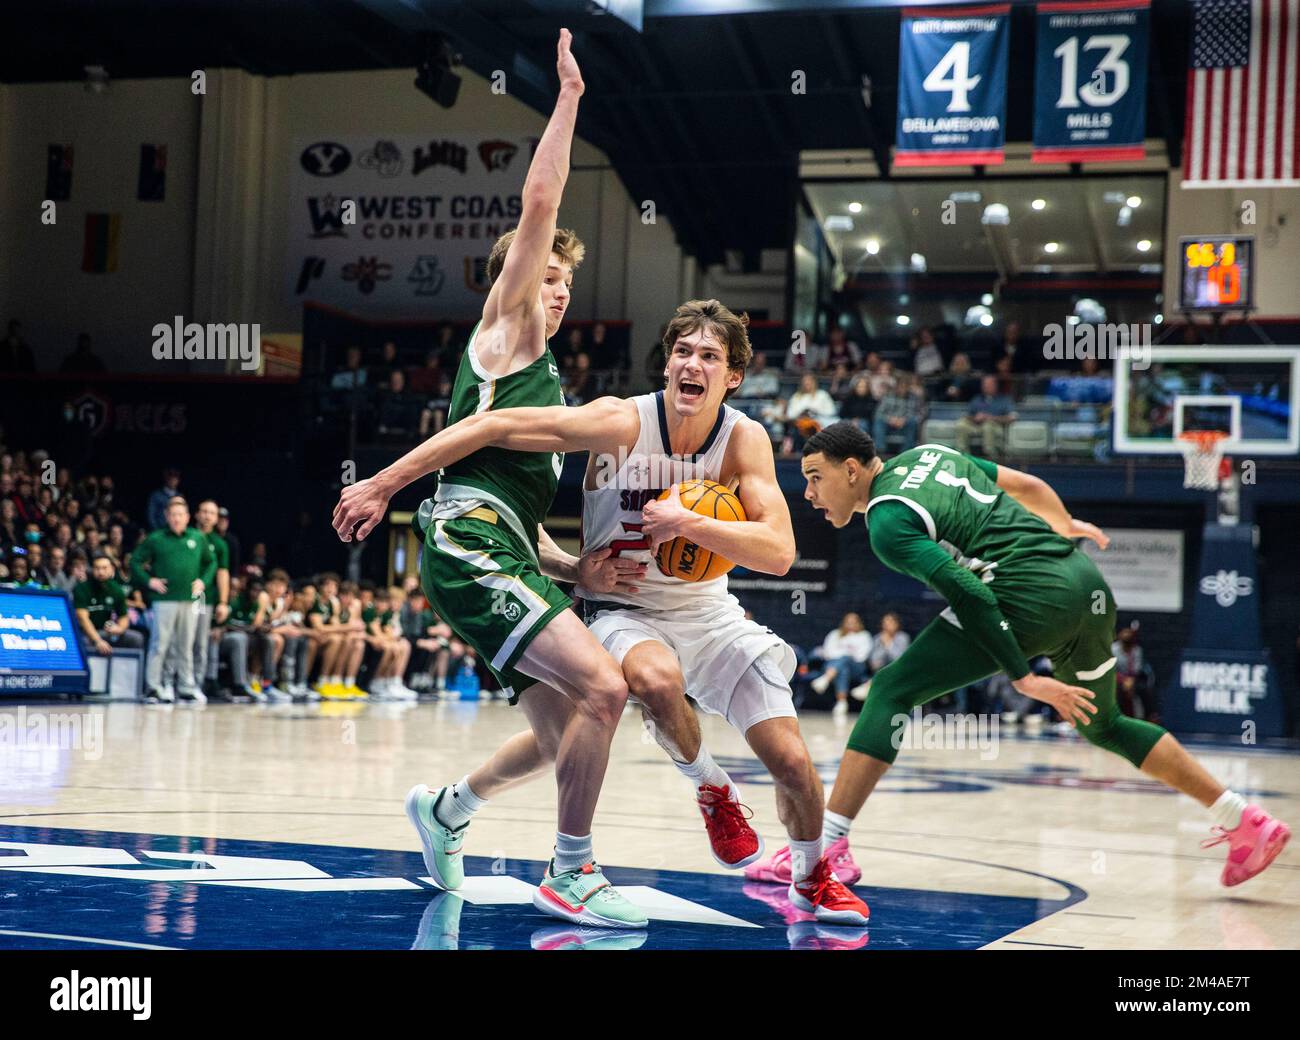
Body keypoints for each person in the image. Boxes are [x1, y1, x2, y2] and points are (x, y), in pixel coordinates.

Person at [354, 299, 871, 925]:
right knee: (648, 683)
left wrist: (689, 522)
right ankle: (711, 787)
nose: (693, 364)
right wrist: (385, 482)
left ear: (733, 376)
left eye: (709, 356)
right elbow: (489, 425)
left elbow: (781, 551)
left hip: (710, 613)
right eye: (683, 351)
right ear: (667, 364)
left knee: (788, 763)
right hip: (622, 611)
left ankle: (810, 876)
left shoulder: (745, 438)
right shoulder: (620, 421)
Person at [333, 30, 648, 929]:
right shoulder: (504, 335)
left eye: (563, 285)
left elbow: (526, 525)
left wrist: (575, 570)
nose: (554, 291)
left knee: (564, 738)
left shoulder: (547, 397)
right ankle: (573, 872)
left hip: (494, 543)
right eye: (544, 275)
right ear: (515, 278)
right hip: (462, 540)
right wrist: (570, 102)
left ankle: (446, 810)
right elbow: (541, 195)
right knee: (607, 688)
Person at [755, 423, 1291, 892]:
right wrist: (1066, 525)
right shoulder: (930, 454)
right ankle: (1243, 819)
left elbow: (970, 592)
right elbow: (1028, 486)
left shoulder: (888, 524)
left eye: (814, 477)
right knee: (1105, 724)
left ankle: (827, 847)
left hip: (1026, 595)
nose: (807, 493)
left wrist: (1023, 678)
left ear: (851, 470)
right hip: (1084, 584)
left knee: (893, 689)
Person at [131, 496, 215, 703]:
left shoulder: (197, 537)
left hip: (190, 599)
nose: (177, 519)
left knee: (186, 644)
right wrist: (149, 581)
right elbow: (135, 562)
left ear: (187, 517)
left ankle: (186, 686)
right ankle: (155, 686)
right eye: (173, 515)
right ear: (166, 517)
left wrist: (203, 582)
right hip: (165, 599)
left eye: (180, 515)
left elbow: (211, 563)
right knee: (160, 643)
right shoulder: (156, 538)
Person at [73, 553, 145, 655]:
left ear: (112, 570)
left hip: (106, 631)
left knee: (137, 639)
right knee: (84, 641)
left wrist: (119, 629)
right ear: (92, 570)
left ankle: (126, 669)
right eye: (97, 568)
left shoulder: (116, 589)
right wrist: (97, 641)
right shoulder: (82, 588)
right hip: (86, 633)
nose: (101, 572)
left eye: (104, 568)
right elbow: (83, 619)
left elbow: (124, 617)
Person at [809, 612, 872, 718]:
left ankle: (826, 679)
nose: (850, 624)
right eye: (848, 621)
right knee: (843, 669)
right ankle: (842, 702)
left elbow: (861, 656)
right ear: (843, 623)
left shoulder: (864, 636)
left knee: (845, 659)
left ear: (858, 623)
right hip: (833, 664)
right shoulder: (834, 634)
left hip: (856, 668)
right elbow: (828, 652)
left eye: (853, 622)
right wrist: (844, 655)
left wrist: (844, 655)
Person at [955, 374, 1016, 457]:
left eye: (989, 385)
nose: (986, 387)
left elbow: (1011, 417)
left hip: (996, 427)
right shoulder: (977, 398)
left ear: (995, 385)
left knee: (988, 425)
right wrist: (975, 417)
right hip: (976, 426)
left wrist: (990, 417)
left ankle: (990, 456)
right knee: (961, 424)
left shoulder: (1004, 399)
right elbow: (967, 415)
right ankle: (963, 455)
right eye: (984, 385)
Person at [872, 371, 924, 453]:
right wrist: (890, 419)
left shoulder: (914, 398)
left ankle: (906, 451)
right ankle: (880, 450)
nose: (902, 389)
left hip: (906, 424)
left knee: (913, 422)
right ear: (896, 387)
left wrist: (905, 420)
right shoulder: (887, 396)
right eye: (900, 386)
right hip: (889, 424)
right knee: (879, 421)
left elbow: (920, 414)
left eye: (905, 386)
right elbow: (878, 413)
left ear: (908, 387)